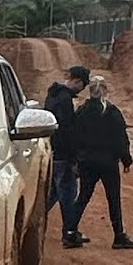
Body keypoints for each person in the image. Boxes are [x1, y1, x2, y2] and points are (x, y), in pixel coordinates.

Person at [65, 76, 133, 249]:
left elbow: (74, 137)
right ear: (105, 90)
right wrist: (126, 160)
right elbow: (121, 139)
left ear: (89, 90)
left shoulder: (82, 111)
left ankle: (69, 232)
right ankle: (119, 236)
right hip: (108, 162)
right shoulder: (112, 112)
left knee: (83, 197)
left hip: (87, 162)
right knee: (113, 198)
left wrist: (76, 159)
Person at [44, 65, 91, 247]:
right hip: (63, 156)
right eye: (83, 85)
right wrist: (74, 159)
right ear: (77, 81)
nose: (82, 89)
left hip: (52, 152)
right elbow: (67, 131)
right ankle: (69, 233)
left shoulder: (52, 95)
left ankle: (32, 223)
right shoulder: (64, 100)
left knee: (53, 194)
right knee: (68, 195)